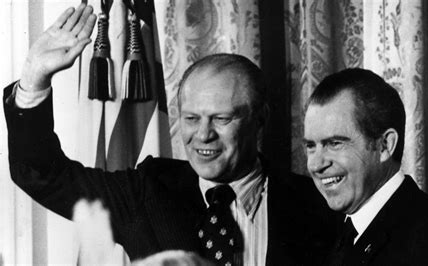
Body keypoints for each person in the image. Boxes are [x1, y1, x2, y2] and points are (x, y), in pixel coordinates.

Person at [3, 4, 337, 265]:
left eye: (221, 118)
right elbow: (43, 176)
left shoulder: (316, 205)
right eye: (191, 118)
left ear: (259, 119)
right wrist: (33, 81)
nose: (203, 135)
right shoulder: (147, 192)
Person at [303, 68, 428, 265]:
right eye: (311, 146)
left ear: (385, 146)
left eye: (334, 143)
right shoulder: (331, 229)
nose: (316, 164)